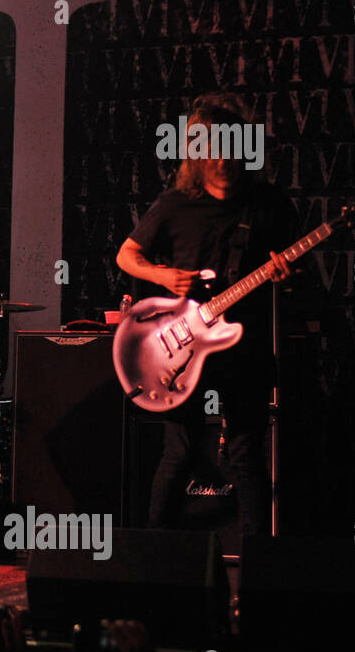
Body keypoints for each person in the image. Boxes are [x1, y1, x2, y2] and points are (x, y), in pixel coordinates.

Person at [115, 93, 297, 540]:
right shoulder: (176, 203)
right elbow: (127, 255)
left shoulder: (268, 205)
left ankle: (259, 568)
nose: (221, 161)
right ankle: (158, 556)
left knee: (246, 451)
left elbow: (295, 280)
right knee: (179, 453)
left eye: (230, 149)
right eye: (210, 150)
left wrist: (284, 276)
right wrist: (163, 275)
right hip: (180, 348)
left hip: (243, 348)